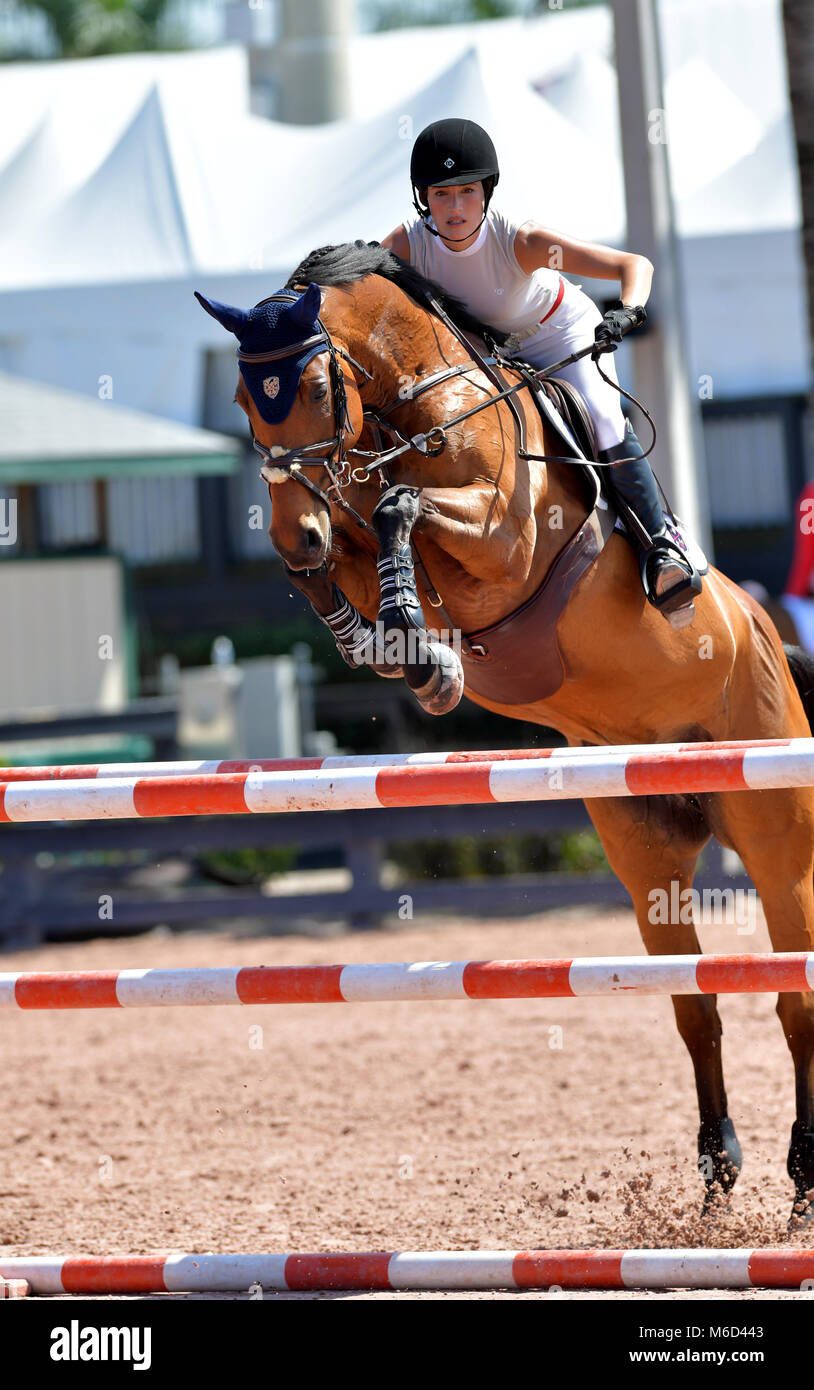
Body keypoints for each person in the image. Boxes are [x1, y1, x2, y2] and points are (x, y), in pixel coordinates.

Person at [381, 117, 702, 628]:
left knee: (600, 415)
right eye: (442, 195)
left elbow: (634, 265)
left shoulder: (521, 239)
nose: (456, 208)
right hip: (494, 354)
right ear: (424, 198)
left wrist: (628, 310)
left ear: (487, 191)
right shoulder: (405, 246)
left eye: (467, 191)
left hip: (561, 335)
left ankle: (661, 547)